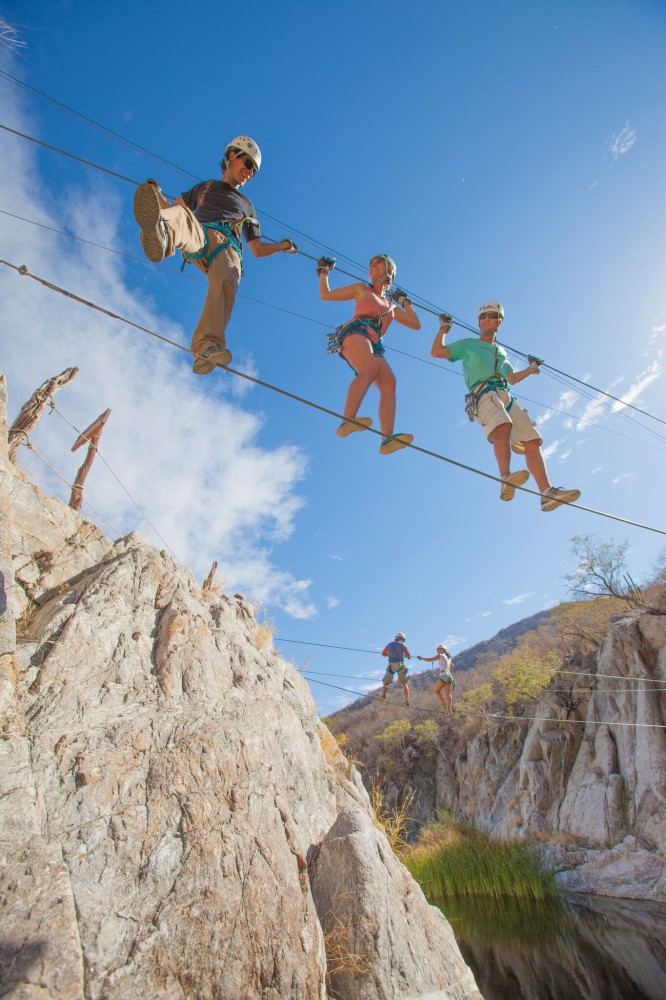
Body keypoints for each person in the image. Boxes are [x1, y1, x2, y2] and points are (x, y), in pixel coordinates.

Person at [133, 135, 297, 375]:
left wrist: (282, 246)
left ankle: (205, 349)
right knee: (180, 216)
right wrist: (156, 195)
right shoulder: (204, 187)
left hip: (226, 246)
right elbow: (172, 209)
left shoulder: (247, 205)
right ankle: (161, 235)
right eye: (248, 164)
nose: (249, 173)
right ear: (231, 156)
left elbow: (257, 249)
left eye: (254, 171)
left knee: (224, 282)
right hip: (199, 234)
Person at [431, 302, 581, 511]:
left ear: (499, 321)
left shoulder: (501, 352)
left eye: (491, 316)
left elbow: (511, 377)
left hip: (505, 394)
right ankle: (506, 477)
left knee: (532, 439)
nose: (486, 320)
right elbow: (437, 352)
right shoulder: (468, 345)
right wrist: (444, 329)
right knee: (503, 425)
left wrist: (531, 369)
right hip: (483, 393)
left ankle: (546, 493)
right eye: (483, 317)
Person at [317, 254, 421, 454]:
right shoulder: (361, 289)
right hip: (356, 332)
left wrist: (405, 302)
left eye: (378, 263)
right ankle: (347, 420)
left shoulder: (391, 307)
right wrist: (323, 272)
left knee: (389, 382)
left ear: (389, 270)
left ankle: (387, 438)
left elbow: (416, 325)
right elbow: (326, 295)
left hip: (375, 344)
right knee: (369, 370)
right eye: (371, 264)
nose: (373, 265)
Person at [417, 644, 455, 712]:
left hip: (443, 675)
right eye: (437, 650)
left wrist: (421, 658)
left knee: (436, 691)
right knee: (448, 694)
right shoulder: (448, 658)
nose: (438, 650)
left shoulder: (440, 655)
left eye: (439, 649)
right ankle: (449, 709)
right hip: (449, 677)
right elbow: (452, 666)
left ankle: (444, 707)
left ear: (443, 650)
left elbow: (430, 659)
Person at [381, 632, 411, 706]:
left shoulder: (389, 644)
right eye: (403, 639)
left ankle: (383, 695)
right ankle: (406, 701)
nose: (403, 641)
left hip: (391, 665)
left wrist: (389, 654)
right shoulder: (402, 645)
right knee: (404, 683)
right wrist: (407, 656)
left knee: (386, 682)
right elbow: (408, 655)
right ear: (401, 638)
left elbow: (383, 654)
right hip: (400, 665)